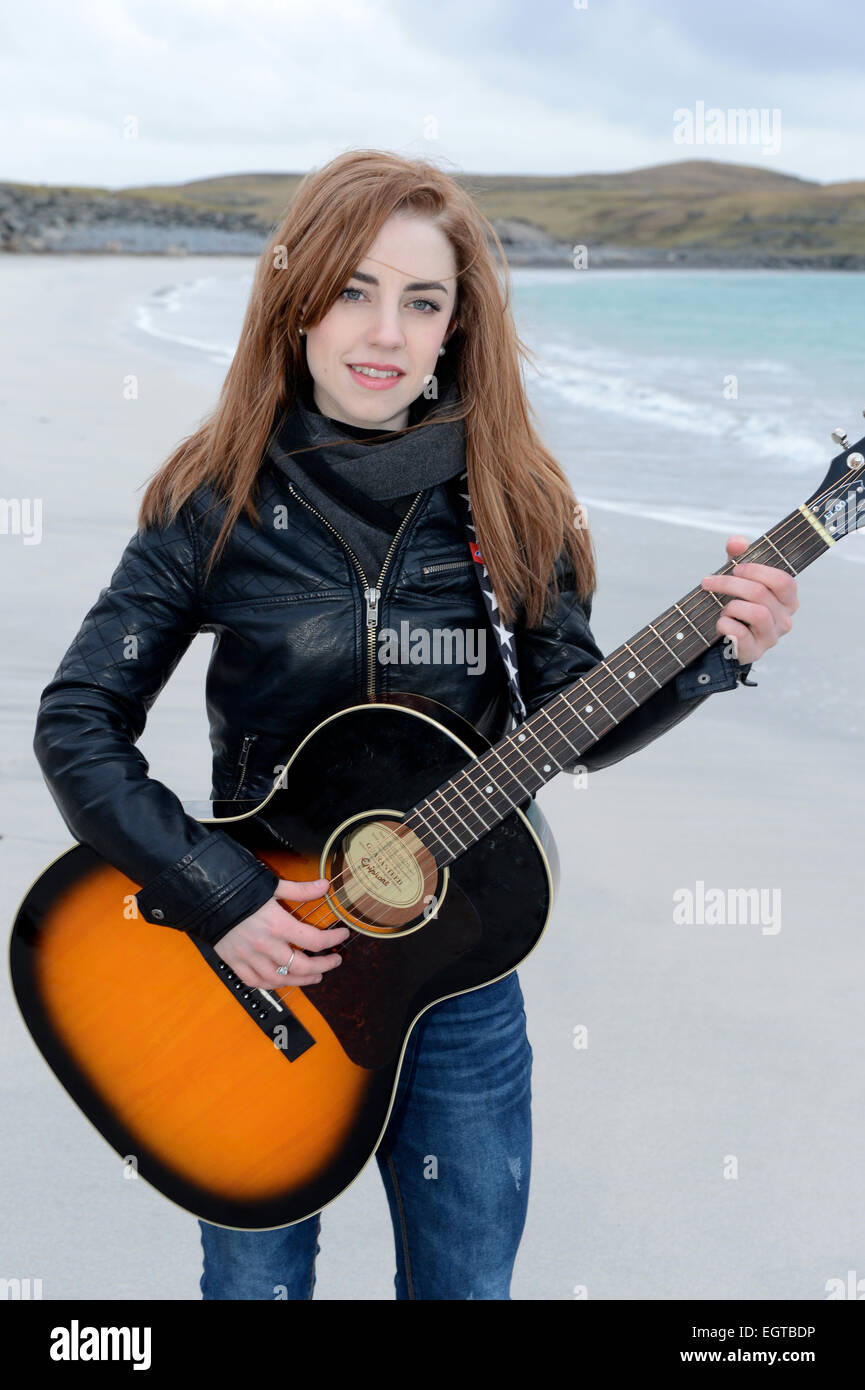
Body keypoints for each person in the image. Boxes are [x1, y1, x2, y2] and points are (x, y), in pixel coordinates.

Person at [32, 148, 798, 1301]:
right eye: (353, 288)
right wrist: (217, 892)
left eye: (422, 300)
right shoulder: (216, 500)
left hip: (458, 980)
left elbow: (569, 721)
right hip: (255, 970)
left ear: (455, 329)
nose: (384, 330)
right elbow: (79, 721)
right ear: (297, 302)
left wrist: (709, 661)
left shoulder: (518, 503)